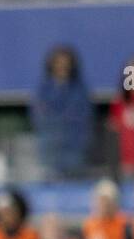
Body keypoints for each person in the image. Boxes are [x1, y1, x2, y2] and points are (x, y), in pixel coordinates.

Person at [31, 46, 93, 179]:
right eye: (59, 63)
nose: (62, 67)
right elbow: (40, 115)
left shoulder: (79, 89)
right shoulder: (43, 90)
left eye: (66, 63)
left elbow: (83, 116)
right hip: (50, 151)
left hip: (75, 151)